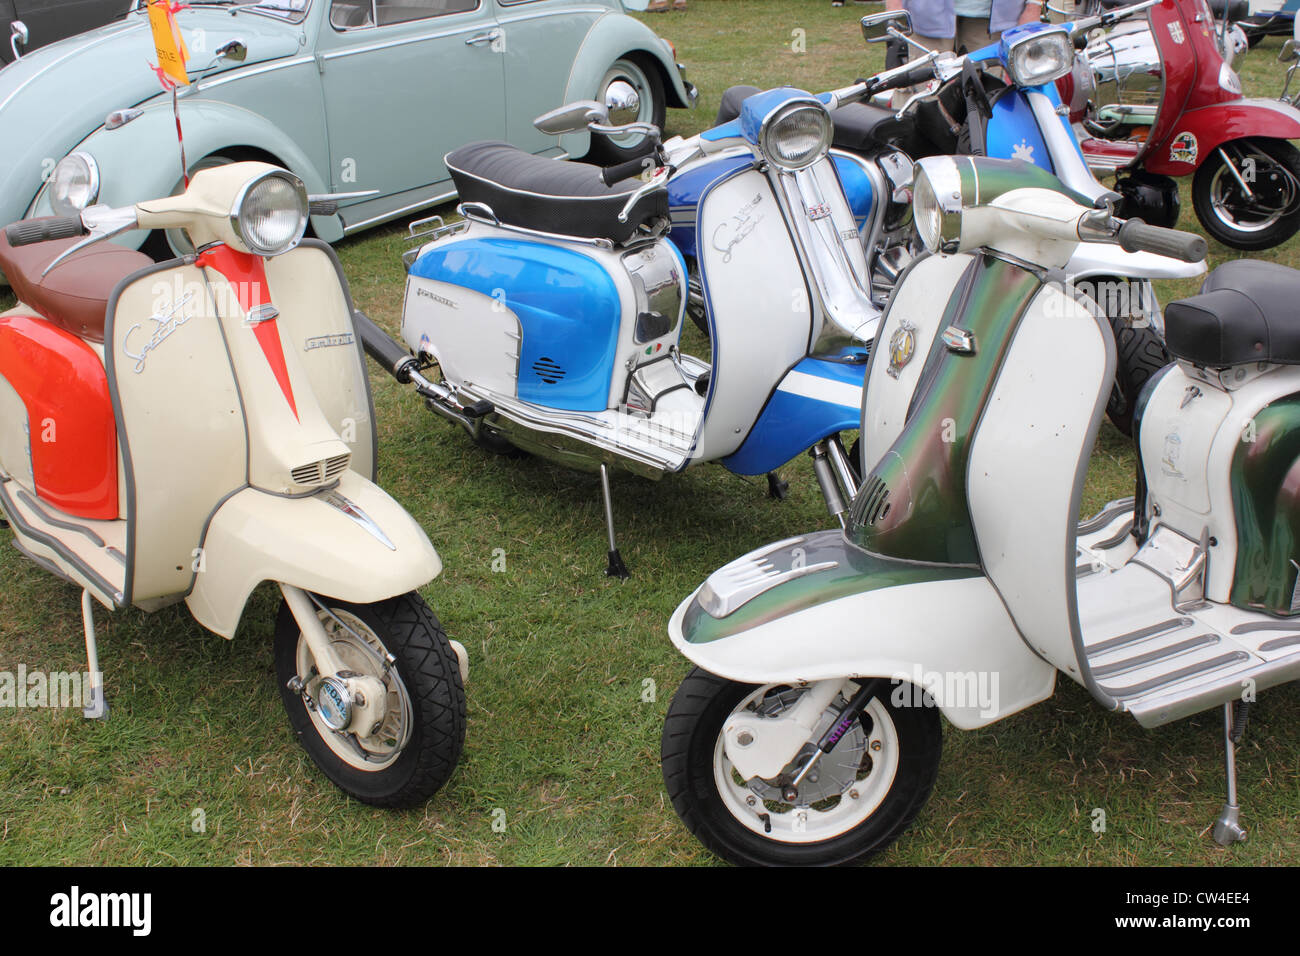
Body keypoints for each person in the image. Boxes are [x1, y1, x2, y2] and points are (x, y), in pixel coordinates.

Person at [883, 0, 1039, 56]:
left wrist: (1034, 5)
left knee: (986, 98)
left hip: (995, 19)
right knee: (924, 93)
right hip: (926, 14)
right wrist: (895, 5)